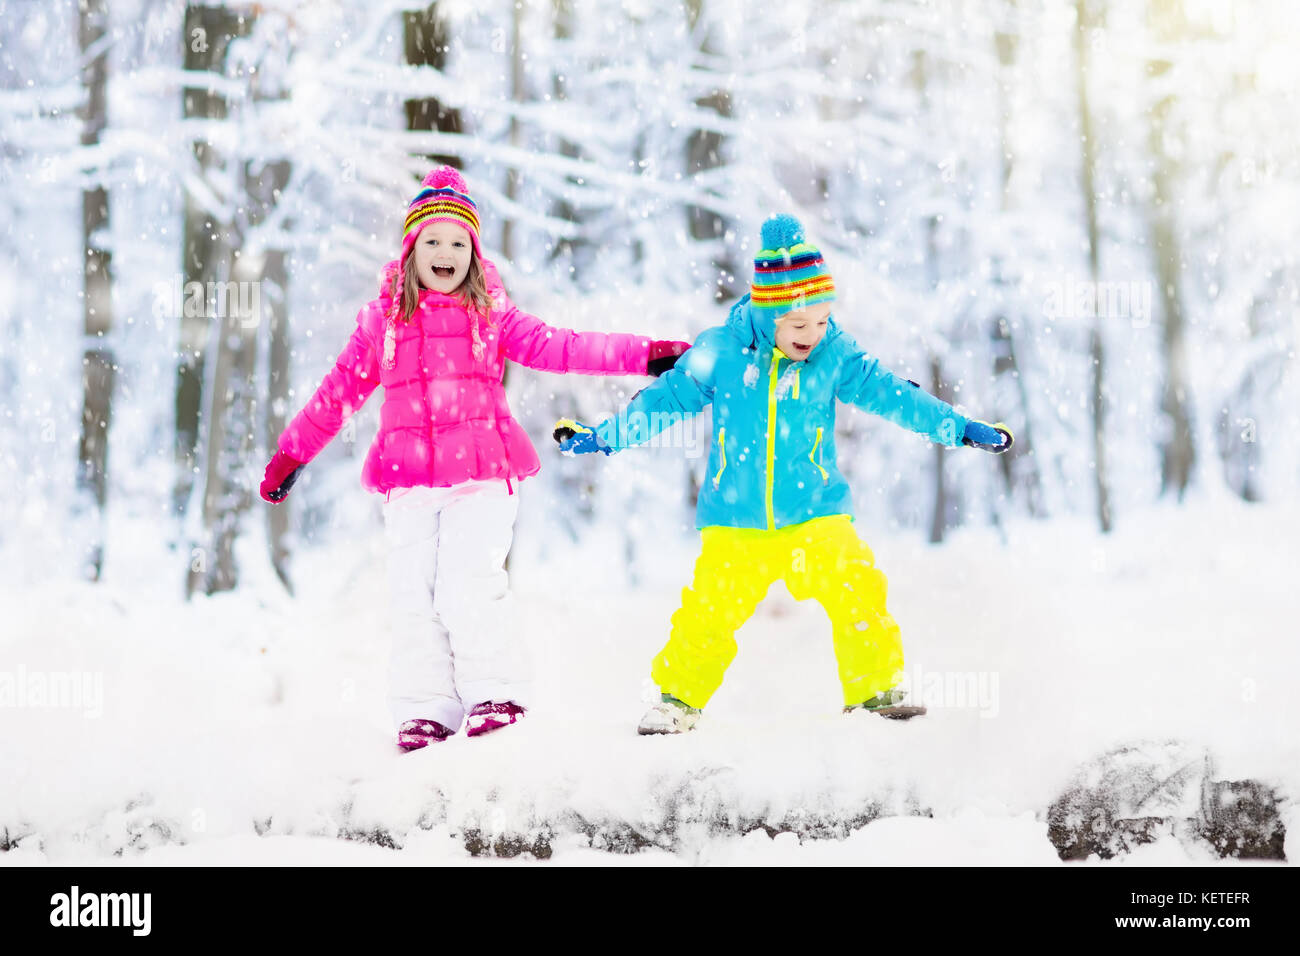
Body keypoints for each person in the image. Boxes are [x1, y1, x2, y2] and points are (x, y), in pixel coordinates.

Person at [259, 166, 689, 750]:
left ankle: (497, 693)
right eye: (432, 241)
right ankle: (427, 708)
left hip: (481, 476)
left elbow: (561, 347)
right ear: (411, 251)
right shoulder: (382, 323)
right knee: (414, 596)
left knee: (468, 583)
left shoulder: (491, 316)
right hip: (409, 484)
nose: (446, 252)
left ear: (473, 252)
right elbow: (337, 394)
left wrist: (646, 356)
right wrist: (291, 455)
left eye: (458, 242)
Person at [553, 214, 1011, 734]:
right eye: (799, 325)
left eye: (821, 322)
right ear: (769, 315)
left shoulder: (834, 354)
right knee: (708, 611)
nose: (812, 335)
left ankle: (876, 688)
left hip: (814, 510)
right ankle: (677, 702)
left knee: (855, 584)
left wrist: (958, 427)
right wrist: (606, 436)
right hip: (736, 518)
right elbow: (664, 400)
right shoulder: (722, 352)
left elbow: (893, 394)